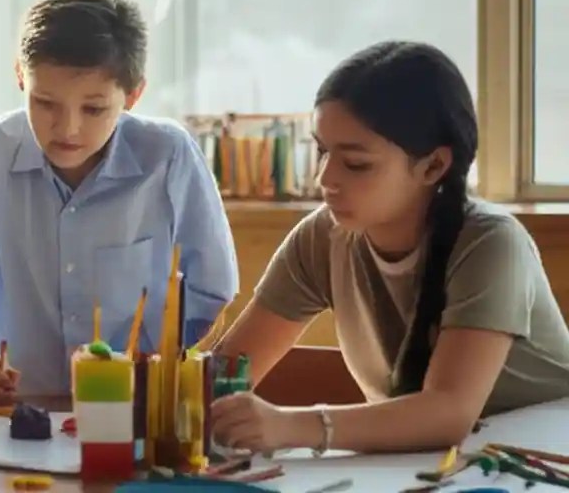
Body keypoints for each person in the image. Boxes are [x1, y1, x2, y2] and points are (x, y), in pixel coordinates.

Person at [210, 41, 569, 454]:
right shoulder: (321, 238)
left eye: (356, 163)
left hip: (538, 463)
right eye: (322, 151)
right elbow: (228, 372)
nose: (325, 178)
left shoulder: (491, 244)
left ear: (433, 166)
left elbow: (448, 414)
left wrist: (290, 426)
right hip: (421, 467)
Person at [0, 0, 238, 402]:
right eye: (45, 102)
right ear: (20, 76)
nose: (67, 128)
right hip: (19, 406)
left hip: (134, 406)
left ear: (134, 95)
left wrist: (157, 366)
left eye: (93, 109)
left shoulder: (168, 156)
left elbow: (212, 288)